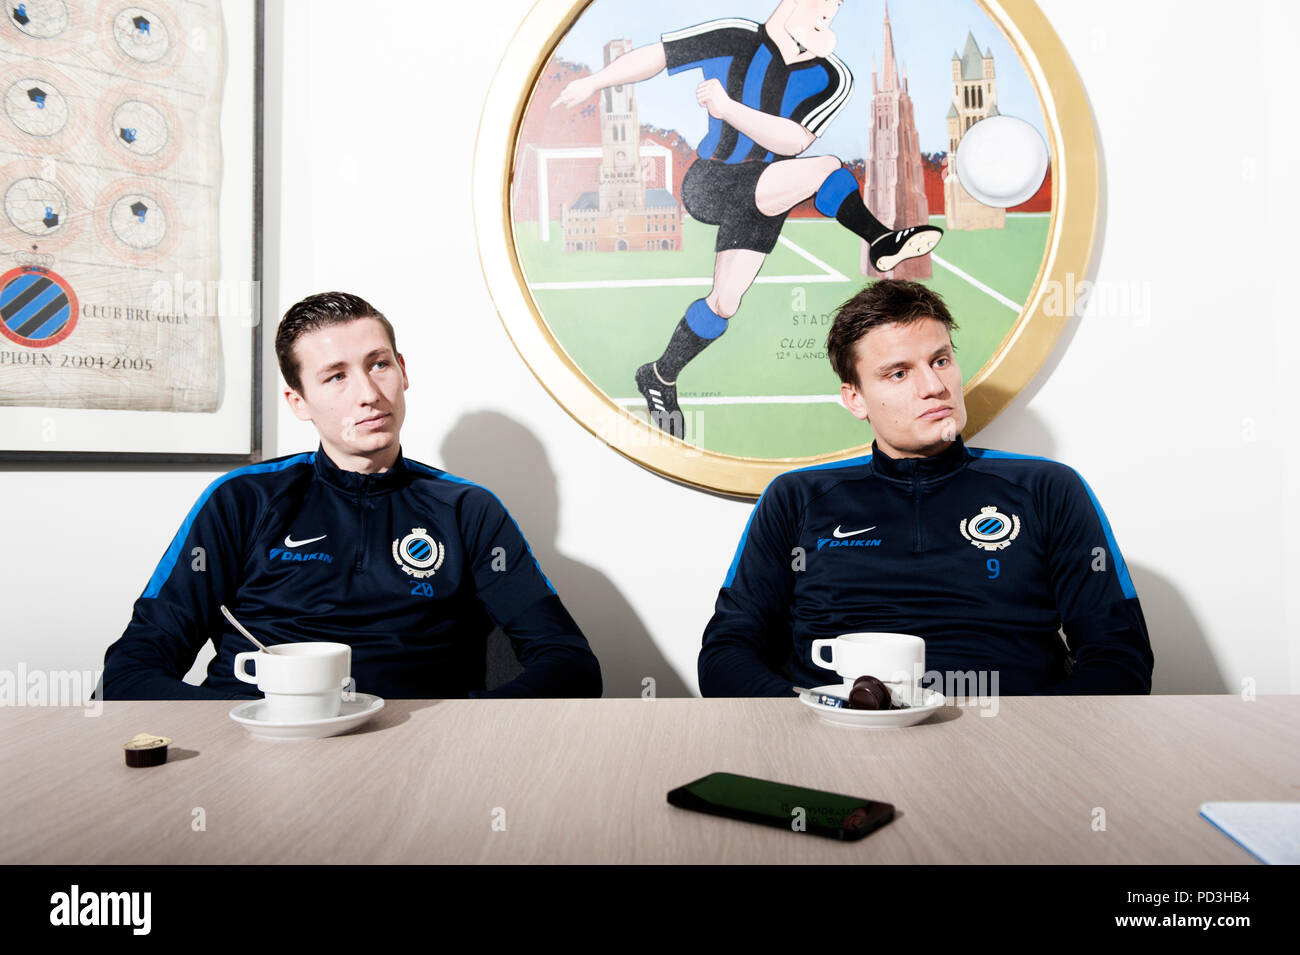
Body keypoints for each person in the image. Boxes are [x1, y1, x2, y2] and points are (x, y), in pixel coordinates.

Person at [103, 292, 602, 700]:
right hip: (259, 750)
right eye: (336, 376)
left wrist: (461, 726)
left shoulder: (466, 509)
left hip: (417, 751)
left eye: (378, 364)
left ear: (403, 371)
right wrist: (250, 721)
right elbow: (129, 674)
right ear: (299, 402)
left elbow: (570, 663)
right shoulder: (242, 500)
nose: (368, 393)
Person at [698, 279, 1153, 696]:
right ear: (855, 398)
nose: (934, 386)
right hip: (841, 740)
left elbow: (1120, 658)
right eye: (899, 373)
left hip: (1012, 741)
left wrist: (1027, 739)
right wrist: (813, 721)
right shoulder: (796, 498)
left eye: (940, 360)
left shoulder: (1049, 489)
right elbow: (726, 654)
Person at [554, 0, 942, 436]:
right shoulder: (736, 37)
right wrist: (594, 81)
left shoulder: (832, 76)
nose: (825, 19)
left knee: (723, 303)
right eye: (820, 8)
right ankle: (881, 238)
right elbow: (658, 56)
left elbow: (793, 141)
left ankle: (660, 375)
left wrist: (727, 107)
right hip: (713, 182)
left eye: (832, 13)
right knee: (826, 168)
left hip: (766, 194)